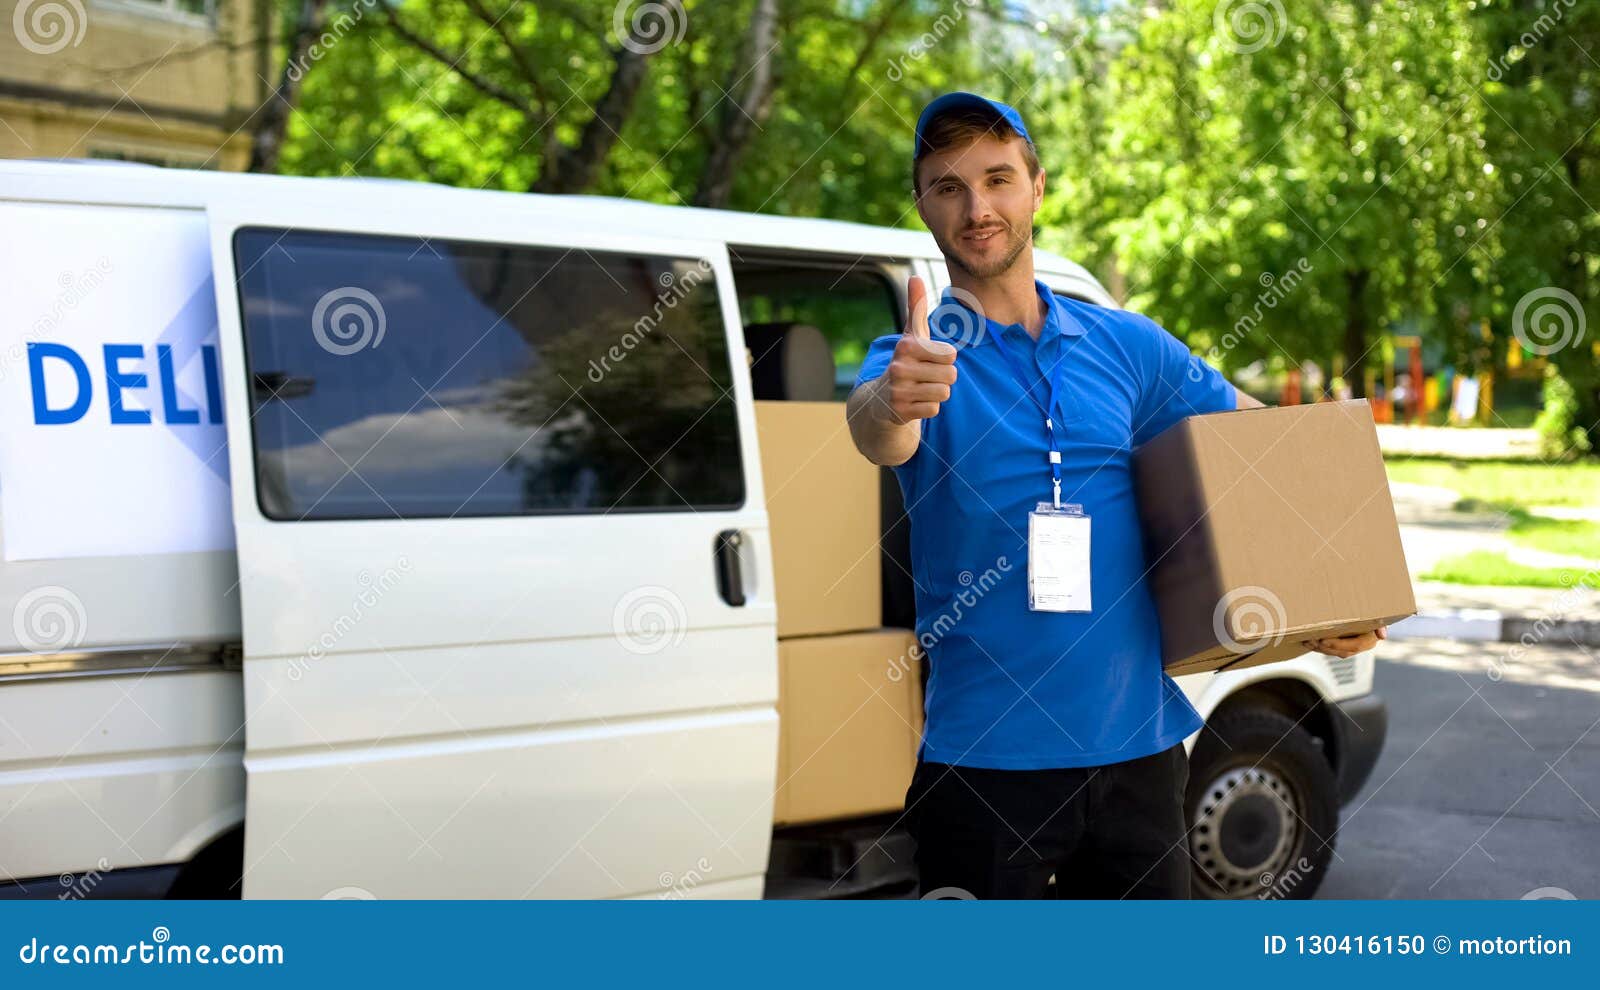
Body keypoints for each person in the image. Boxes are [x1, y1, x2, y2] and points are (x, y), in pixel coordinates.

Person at [844, 93, 1386, 899]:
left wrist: (1334, 598)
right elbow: (876, 430)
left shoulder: (1125, 345)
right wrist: (895, 399)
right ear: (922, 204)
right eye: (947, 186)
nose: (978, 207)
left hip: (1142, 755)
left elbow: (1276, 449)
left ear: (1037, 186)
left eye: (997, 178)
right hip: (988, 768)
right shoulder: (910, 357)